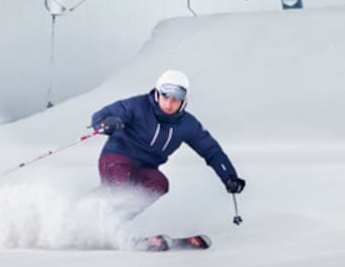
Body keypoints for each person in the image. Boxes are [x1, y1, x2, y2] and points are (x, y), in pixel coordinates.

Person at [90, 70, 245, 218]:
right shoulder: (138, 106)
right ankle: (102, 221)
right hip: (117, 157)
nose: (169, 103)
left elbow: (211, 150)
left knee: (158, 183)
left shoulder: (187, 124)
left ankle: (112, 220)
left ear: (183, 101)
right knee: (121, 187)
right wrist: (106, 123)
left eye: (176, 99)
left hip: (144, 168)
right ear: (158, 94)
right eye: (166, 96)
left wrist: (229, 177)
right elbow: (101, 116)